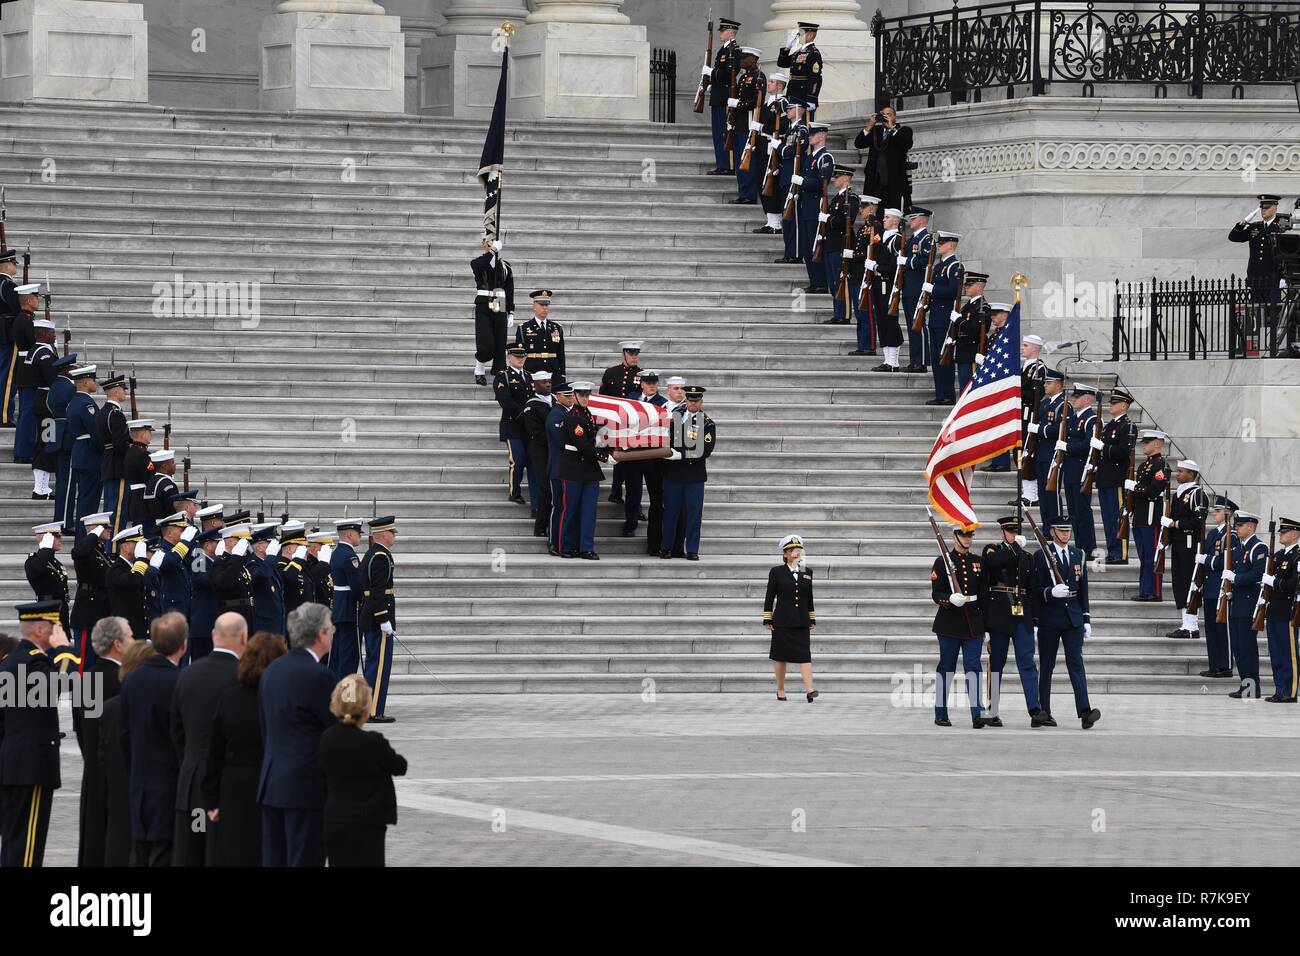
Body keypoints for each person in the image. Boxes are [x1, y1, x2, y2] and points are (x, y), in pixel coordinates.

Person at [257, 602, 335, 867]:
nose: (333, 631)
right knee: (304, 859)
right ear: (319, 634)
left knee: (274, 859)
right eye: (329, 627)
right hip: (305, 788)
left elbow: (265, 728)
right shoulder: (319, 676)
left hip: (272, 783)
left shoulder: (272, 671)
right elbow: (332, 733)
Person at [0, 600, 77, 867]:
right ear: (42, 630)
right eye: (55, 626)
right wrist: (65, 649)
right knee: (27, 846)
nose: (60, 631)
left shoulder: (15, 662)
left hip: (18, 764)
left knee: (15, 841)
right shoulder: (29, 664)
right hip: (30, 767)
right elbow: (66, 681)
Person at [203, 631, 285, 867]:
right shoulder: (277, 698)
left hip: (234, 783)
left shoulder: (229, 697)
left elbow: (214, 750)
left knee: (235, 850)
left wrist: (211, 797)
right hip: (269, 782)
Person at [170, 611, 245, 867]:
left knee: (191, 852)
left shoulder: (187, 674)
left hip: (191, 784)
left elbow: (177, 731)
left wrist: (188, 761)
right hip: (227, 787)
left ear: (213, 636)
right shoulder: (243, 677)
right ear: (244, 638)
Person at [119, 610, 188, 866]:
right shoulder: (180, 681)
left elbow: (124, 735)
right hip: (169, 784)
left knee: (140, 853)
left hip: (139, 781)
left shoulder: (132, 680)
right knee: (163, 853)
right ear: (184, 645)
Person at [319, 673, 409, 867]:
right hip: (369, 823)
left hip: (336, 819)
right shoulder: (374, 742)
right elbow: (400, 766)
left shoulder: (327, 739)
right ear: (365, 711)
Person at [74, 616, 133, 868]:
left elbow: (80, 727)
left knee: (93, 839)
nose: (134, 641)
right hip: (118, 774)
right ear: (118, 645)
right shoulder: (122, 682)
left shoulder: (87, 679)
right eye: (130, 636)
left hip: (93, 771)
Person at [1034, 518, 1101, 728]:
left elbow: (1084, 590)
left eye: (1068, 531)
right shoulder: (1041, 555)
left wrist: (1086, 618)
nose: (1066, 534)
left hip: (1073, 616)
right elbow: (1034, 589)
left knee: (1076, 665)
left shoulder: (1078, 554)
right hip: (1049, 617)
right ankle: (1044, 711)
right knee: (1047, 666)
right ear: (1052, 531)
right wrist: (1049, 592)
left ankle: (1084, 711)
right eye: (1061, 531)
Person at [981, 516, 1047, 727]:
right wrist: (1013, 548)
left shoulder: (1027, 556)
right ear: (1002, 533)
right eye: (1009, 531)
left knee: (1027, 662)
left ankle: (1035, 709)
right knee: (997, 663)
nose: (1013, 535)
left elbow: (1032, 588)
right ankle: (993, 710)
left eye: (1016, 531)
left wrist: (1035, 620)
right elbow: (993, 563)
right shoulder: (993, 550)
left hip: (1022, 614)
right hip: (999, 614)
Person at [930, 525, 986, 728]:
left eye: (970, 534)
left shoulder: (977, 562)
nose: (968, 538)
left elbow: (984, 595)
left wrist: (985, 626)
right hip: (949, 623)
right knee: (946, 668)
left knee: (974, 668)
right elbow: (936, 594)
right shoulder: (942, 561)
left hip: (973, 622)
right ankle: (941, 713)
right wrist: (949, 598)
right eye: (964, 534)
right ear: (955, 537)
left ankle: (977, 714)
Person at [1211, 510, 1268, 699]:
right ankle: (1246, 686)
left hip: (1248, 604)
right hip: (1236, 603)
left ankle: (1252, 687)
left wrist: (1236, 578)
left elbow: (1258, 575)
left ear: (1251, 527)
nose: (1237, 528)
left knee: (1247, 647)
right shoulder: (1238, 548)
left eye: (1241, 525)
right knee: (1237, 647)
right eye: (1236, 525)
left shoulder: (1258, 548)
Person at [660, 385, 716, 561]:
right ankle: (666, 547)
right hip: (673, 474)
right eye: (690, 400)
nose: (693, 404)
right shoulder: (674, 416)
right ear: (686, 399)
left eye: (696, 401)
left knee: (693, 514)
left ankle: (692, 549)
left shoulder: (706, 422)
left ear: (701, 402)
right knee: (670, 513)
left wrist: (681, 454)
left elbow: (704, 450)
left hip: (694, 476)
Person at [764, 535, 818, 702]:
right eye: (792, 551)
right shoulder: (776, 572)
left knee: (804, 655)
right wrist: (768, 618)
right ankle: (780, 690)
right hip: (782, 620)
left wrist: (811, 617)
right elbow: (769, 596)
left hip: (801, 620)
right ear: (785, 554)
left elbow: (809, 597)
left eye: (798, 550)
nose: (796, 553)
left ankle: (810, 690)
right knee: (781, 656)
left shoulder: (806, 572)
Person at [783, 121, 834, 293]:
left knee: (815, 246)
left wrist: (802, 182)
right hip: (806, 206)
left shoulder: (825, 158)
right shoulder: (811, 157)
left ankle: (821, 282)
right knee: (806, 247)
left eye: (813, 134)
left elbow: (823, 183)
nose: (810, 137)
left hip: (816, 208)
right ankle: (814, 281)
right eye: (810, 134)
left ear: (822, 136)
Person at [557, 383, 606, 560]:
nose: (585, 398)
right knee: (570, 511)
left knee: (589, 512)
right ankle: (567, 546)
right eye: (581, 395)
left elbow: (591, 441)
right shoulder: (573, 417)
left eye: (587, 395)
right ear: (575, 395)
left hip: (589, 469)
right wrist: (604, 456)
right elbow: (582, 445)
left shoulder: (587, 414)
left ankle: (586, 548)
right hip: (573, 469)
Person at [1227, 194, 1283, 345]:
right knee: (1255, 315)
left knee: (1274, 315)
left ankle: (1273, 345)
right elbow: (1233, 237)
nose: (1263, 210)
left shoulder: (1281, 226)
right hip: (1256, 279)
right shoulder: (1255, 227)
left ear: (1275, 207)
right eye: (1261, 207)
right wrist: (1244, 222)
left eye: (1266, 207)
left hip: (1273, 278)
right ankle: (1253, 346)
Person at [1164, 460, 1209, 640]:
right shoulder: (1179, 493)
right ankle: (1186, 624)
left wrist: (1176, 524)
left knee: (1190, 583)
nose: (1177, 474)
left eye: (1181, 471)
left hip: (1190, 544)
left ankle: (1192, 625)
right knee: (1180, 583)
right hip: (1179, 543)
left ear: (1191, 474)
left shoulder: (1197, 494)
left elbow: (1199, 521)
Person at [360, 517, 398, 723]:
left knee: (375, 664)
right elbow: (377, 592)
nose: (394, 535)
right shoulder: (381, 556)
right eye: (392, 532)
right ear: (383, 534)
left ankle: (370, 708)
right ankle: (373, 711)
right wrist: (384, 618)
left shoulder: (373, 554)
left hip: (372, 616)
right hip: (378, 618)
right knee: (379, 666)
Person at [1095, 387, 1137, 564]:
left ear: (1124, 406)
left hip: (1117, 478)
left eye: (1114, 403)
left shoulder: (1127, 426)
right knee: (1107, 517)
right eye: (1110, 402)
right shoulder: (1109, 426)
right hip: (1105, 477)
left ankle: (1121, 552)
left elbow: (1124, 451)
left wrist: (1103, 447)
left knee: (1118, 517)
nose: (1110, 406)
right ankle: (1112, 549)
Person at [1127, 429, 1170, 602]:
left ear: (1158, 443)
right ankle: (1145, 590)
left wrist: (1134, 487)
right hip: (1140, 516)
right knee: (1143, 555)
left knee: (1151, 556)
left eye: (1148, 442)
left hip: (1151, 517)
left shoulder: (1161, 466)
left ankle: (1154, 591)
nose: (1144, 445)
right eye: (1144, 442)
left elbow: (1154, 490)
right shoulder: (1144, 465)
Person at [626, 371, 667, 545]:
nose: (652, 386)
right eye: (648, 382)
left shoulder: (662, 403)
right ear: (641, 383)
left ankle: (655, 531)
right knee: (632, 492)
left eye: (654, 383)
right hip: (634, 454)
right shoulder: (632, 398)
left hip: (653, 456)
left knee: (656, 495)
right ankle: (630, 523)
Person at [1261, 516, 1299, 702]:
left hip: (1288, 612)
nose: (1281, 535)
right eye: (1281, 532)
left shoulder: (1297, 557)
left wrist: (1274, 581)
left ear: (1295, 535)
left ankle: (1290, 692)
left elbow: (1294, 584)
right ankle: (1279, 689)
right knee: (1276, 652)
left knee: (1288, 654)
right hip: (1274, 609)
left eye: (1284, 532)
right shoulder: (1277, 556)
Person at [1198, 496, 1236, 679]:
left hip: (1221, 586)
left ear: (1228, 513)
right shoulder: (1213, 534)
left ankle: (1226, 665)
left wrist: (1207, 560)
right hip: (1210, 586)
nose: (1214, 513)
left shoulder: (1232, 535)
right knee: (1211, 629)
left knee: (1222, 628)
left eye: (1218, 511)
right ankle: (1214, 665)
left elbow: (1226, 562)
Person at [69, 512, 113, 670]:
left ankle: (94, 694)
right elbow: (78, 553)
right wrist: (93, 534)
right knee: (84, 662)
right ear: (93, 530)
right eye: (104, 527)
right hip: (88, 613)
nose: (109, 530)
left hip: (101, 610)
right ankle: (82, 694)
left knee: (96, 663)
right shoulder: (86, 550)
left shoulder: (100, 551)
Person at [600, 340, 642, 505]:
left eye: (636, 354)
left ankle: (634, 504)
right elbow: (603, 397)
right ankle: (615, 491)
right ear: (623, 354)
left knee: (633, 462)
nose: (634, 357)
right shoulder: (611, 373)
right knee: (618, 457)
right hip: (615, 422)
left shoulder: (643, 375)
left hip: (634, 424)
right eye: (631, 354)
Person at [1062, 383, 1100, 559]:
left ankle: (1088, 546)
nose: (1073, 400)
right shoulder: (1073, 418)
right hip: (1070, 471)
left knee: (1082, 511)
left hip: (1081, 471)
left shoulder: (1091, 419)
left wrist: (1067, 447)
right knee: (1073, 512)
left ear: (1087, 399)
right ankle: (1080, 545)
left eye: (1077, 397)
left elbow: (1088, 445)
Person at [925, 231, 963, 405]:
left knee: (944, 357)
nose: (939, 245)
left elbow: (954, 292)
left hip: (945, 318)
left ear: (951, 245)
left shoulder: (954, 267)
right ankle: (940, 393)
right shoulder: (939, 266)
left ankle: (947, 394)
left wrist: (933, 290)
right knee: (935, 358)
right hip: (935, 317)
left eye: (942, 243)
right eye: (938, 243)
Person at [470, 237, 514, 384]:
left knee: (500, 341)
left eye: (492, 244)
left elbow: (509, 289)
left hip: (499, 301)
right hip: (484, 303)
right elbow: (479, 267)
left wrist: (510, 311)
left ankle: (499, 371)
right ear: (483, 244)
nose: (489, 245)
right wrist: (492, 251)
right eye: (487, 243)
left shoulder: (505, 266)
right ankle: (479, 369)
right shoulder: (478, 262)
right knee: (486, 342)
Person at [821, 166, 860, 325]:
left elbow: (846, 220)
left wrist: (827, 219)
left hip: (841, 243)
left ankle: (843, 314)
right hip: (831, 243)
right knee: (833, 280)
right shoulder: (838, 198)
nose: (834, 180)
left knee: (841, 278)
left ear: (845, 178)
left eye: (837, 177)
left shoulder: (851, 198)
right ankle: (837, 312)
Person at [494, 345, 533, 507]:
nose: (520, 359)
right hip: (513, 425)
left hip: (530, 427)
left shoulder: (530, 377)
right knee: (517, 460)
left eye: (522, 356)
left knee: (531, 461)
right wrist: (525, 415)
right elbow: (506, 401)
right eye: (516, 356)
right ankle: (514, 492)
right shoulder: (503, 377)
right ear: (508, 357)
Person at [856, 105, 913, 213]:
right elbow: (859, 143)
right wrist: (869, 126)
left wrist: (892, 128)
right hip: (874, 182)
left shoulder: (903, 131)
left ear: (895, 117)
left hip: (893, 183)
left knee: (893, 213)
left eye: (889, 115)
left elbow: (906, 144)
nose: (886, 117)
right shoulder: (875, 131)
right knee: (874, 215)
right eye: (884, 115)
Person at [65, 362, 101, 533]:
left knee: (85, 499)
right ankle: (84, 538)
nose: (96, 383)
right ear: (86, 382)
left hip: (81, 452)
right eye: (93, 380)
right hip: (90, 455)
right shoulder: (86, 404)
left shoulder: (74, 401)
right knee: (89, 501)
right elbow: (96, 431)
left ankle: (83, 537)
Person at [869, 208, 905, 371]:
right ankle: (886, 359)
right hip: (878, 283)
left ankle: (894, 361)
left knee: (890, 320)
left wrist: (876, 266)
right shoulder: (882, 238)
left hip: (888, 284)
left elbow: (894, 267)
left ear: (896, 221)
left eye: (887, 217)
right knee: (881, 320)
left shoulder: (897, 240)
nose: (883, 220)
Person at [754, 72, 789, 235]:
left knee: (771, 183)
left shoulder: (782, 103)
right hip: (761, 146)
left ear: (780, 86)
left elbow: (781, 127)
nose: (769, 84)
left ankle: (776, 223)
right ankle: (770, 220)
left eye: (772, 82)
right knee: (762, 182)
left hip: (772, 147)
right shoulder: (768, 102)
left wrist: (761, 128)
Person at [329, 518, 364, 678]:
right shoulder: (350, 556)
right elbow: (357, 589)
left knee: (339, 654)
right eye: (358, 533)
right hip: (350, 611)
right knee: (349, 657)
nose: (360, 537)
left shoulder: (336, 553)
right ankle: (345, 697)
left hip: (339, 609)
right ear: (350, 534)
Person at [730, 47, 765, 206]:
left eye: (745, 58)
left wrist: (738, 104)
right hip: (739, 124)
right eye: (741, 58)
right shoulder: (743, 77)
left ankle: (749, 194)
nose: (742, 61)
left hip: (749, 124)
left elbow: (756, 102)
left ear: (754, 59)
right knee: (739, 161)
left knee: (747, 161)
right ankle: (742, 192)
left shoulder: (759, 77)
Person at [1032, 368, 1067, 528]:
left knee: (1051, 493)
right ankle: (1047, 525)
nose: (1045, 385)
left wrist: (1040, 430)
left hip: (1053, 455)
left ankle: (1056, 526)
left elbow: (1060, 429)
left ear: (1058, 385)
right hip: (1040, 453)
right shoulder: (1045, 403)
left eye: (1048, 382)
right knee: (1042, 493)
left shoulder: (1063, 405)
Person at [522, 370, 555, 538]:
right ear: (534, 385)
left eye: (549, 381)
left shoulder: (557, 400)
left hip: (558, 452)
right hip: (541, 452)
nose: (548, 384)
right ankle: (540, 526)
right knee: (545, 490)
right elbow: (537, 433)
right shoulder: (531, 406)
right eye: (543, 382)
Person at [707, 18, 741, 176]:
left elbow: (729, 75)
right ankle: (721, 163)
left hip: (725, 98)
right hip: (718, 96)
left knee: (724, 132)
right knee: (717, 132)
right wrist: (711, 83)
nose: (720, 33)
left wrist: (711, 73)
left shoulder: (734, 51)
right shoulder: (724, 50)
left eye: (723, 31)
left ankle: (728, 164)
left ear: (731, 32)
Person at [900, 208, 933, 372]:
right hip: (908, 287)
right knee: (912, 324)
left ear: (922, 219)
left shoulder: (926, 239)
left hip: (918, 286)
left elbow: (925, 261)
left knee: (918, 324)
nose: (910, 222)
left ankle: (921, 361)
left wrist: (906, 261)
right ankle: (915, 360)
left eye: (912, 218)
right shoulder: (913, 238)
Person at [1015, 334, 1047, 506]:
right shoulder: (1025, 367)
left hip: (1029, 414)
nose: (1022, 348)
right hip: (1020, 414)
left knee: (1028, 453)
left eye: (1026, 345)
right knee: (1019, 453)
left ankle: (1031, 494)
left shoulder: (1038, 368)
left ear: (1035, 348)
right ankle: (1024, 492)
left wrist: (1015, 389)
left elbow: (1036, 394)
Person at [108, 525, 151, 641]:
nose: (141, 548)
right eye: (137, 544)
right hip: (125, 630)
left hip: (138, 627)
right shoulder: (116, 568)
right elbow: (132, 581)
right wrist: (142, 560)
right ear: (125, 547)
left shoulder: (133, 566)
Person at [211, 524, 256, 638]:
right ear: (231, 542)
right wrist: (236, 556)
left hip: (246, 616)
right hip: (231, 619)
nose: (245, 545)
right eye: (241, 541)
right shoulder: (220, 563)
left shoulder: (239, 563)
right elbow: (226, 582)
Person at [25, 521, 70, 634]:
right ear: (46, 539)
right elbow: (39, 570)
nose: (61, 540)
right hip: (46, 611)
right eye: (56, 537)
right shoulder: (33, 561)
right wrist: (45, 548)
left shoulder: (55, 562)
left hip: (61, 610)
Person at [774, 101, 804, 265]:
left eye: (791, 108)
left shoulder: (801, 130)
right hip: (785, 177)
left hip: (793, 177)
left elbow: (792, 151)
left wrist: (779, 147)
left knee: (793, 219)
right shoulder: (790, 128)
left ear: (800, 110)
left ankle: (796, 253)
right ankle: (789, 251)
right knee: (787, 218)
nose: (787, 111)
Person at [515, 289, 565, 378]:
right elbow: (519, 354)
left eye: (546, 305)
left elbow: (560, 354)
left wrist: (562, 374)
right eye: (542, 305)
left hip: (553, 370)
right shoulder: (524, 328)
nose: (545, 308)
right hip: (532, 370)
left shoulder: (557, 328)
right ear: (534, 306)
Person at [777, 21, 821, 119]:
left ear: (810, 35)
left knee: (802, 126)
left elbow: (815, 78)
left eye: (800, 34)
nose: (798, 36)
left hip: (803, 97)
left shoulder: (813, 53)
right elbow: (782, 63)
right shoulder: (799, 52)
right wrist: (787, 48)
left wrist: (812, 98)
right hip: (793, 94)